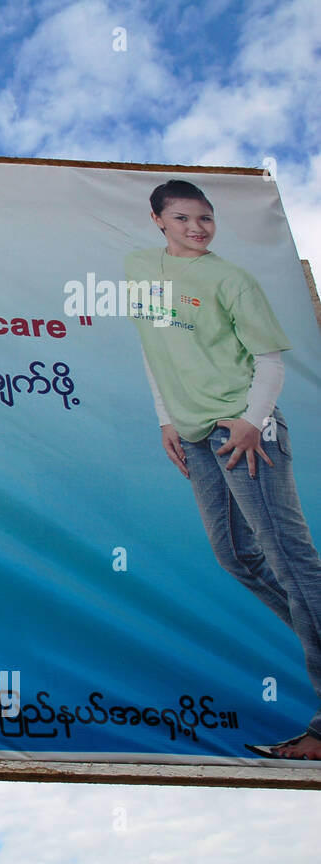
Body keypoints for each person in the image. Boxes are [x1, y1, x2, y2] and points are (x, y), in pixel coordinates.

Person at [126, 178, 321, 759]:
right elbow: (153, 346)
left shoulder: (232, 280)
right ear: (158, 220)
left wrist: (251, 421)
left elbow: (269, 362)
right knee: (237, 557)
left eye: (206, 218)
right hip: (193, 432)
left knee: (291, 562)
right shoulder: (141, 269)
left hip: (242, 429)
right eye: (183, 218)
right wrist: (165, 416)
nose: (197, 228)